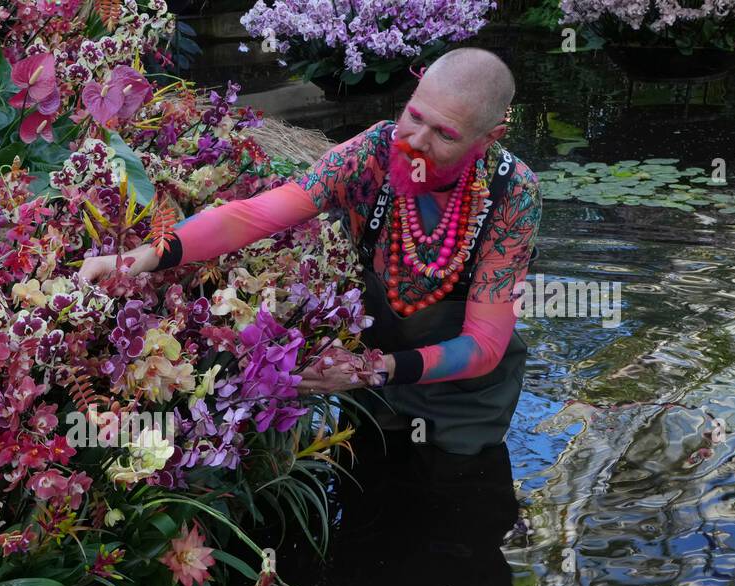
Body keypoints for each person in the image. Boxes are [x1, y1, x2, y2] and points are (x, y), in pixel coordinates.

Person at [78, 48, 542, 455]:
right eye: (415, 116)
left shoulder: (511, 194)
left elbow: (484, 344)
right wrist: (144, 256)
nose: (415, 143)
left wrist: (375, 371)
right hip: (370, 369)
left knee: (463, 509)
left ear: (489, 138)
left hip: (462, 393)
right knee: (374, 488)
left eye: (445, 135)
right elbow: (254, 215)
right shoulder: (371, 156)